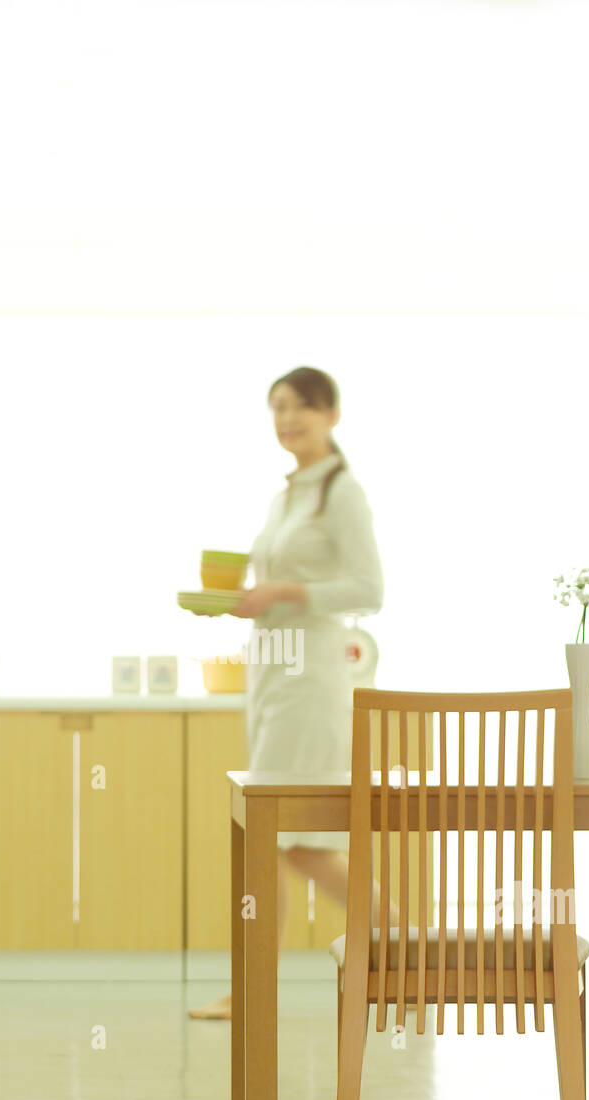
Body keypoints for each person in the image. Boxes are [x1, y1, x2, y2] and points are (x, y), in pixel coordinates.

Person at [189, 365, 398, 1020]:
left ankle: (258, 991)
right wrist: (245, 602)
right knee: (293, 843)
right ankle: (407, 953)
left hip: (311, 681)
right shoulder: (286, 497)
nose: (286, 419)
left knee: (276, 836)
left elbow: (369, 591)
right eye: (277, 407)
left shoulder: (341, 492)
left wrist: (284, 593)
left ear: (331, 412)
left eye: (300, 406)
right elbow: (278, 589)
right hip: (273, 673)